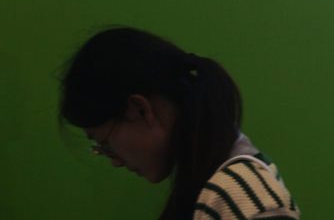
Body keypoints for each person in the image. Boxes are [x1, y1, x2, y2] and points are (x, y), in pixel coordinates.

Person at [59, 27, 299, 220]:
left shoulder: (242, 195)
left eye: (105, 144)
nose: (115, 161)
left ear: (140, 109)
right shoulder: (217, 186)